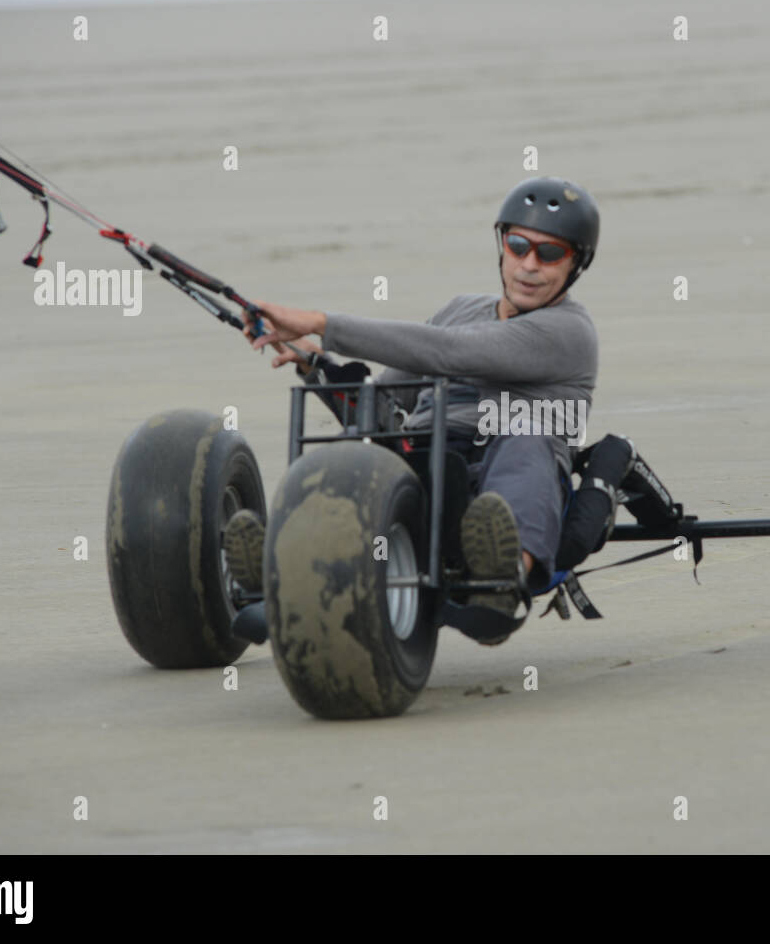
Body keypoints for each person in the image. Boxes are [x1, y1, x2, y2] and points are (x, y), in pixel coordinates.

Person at [225, 176, 600, 638]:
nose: (528, 265)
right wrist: (313, 360)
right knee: (356, 448)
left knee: (526, 440)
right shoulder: (461, 309)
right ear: (501, 244)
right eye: (518, 245)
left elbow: (448, 353)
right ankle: (278, 564)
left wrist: (322, 322)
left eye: (549, 254)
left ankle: (503, 573)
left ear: (576, 263)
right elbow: (385, 397)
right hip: (425, 453)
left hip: (502, 466)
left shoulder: (569, 331)